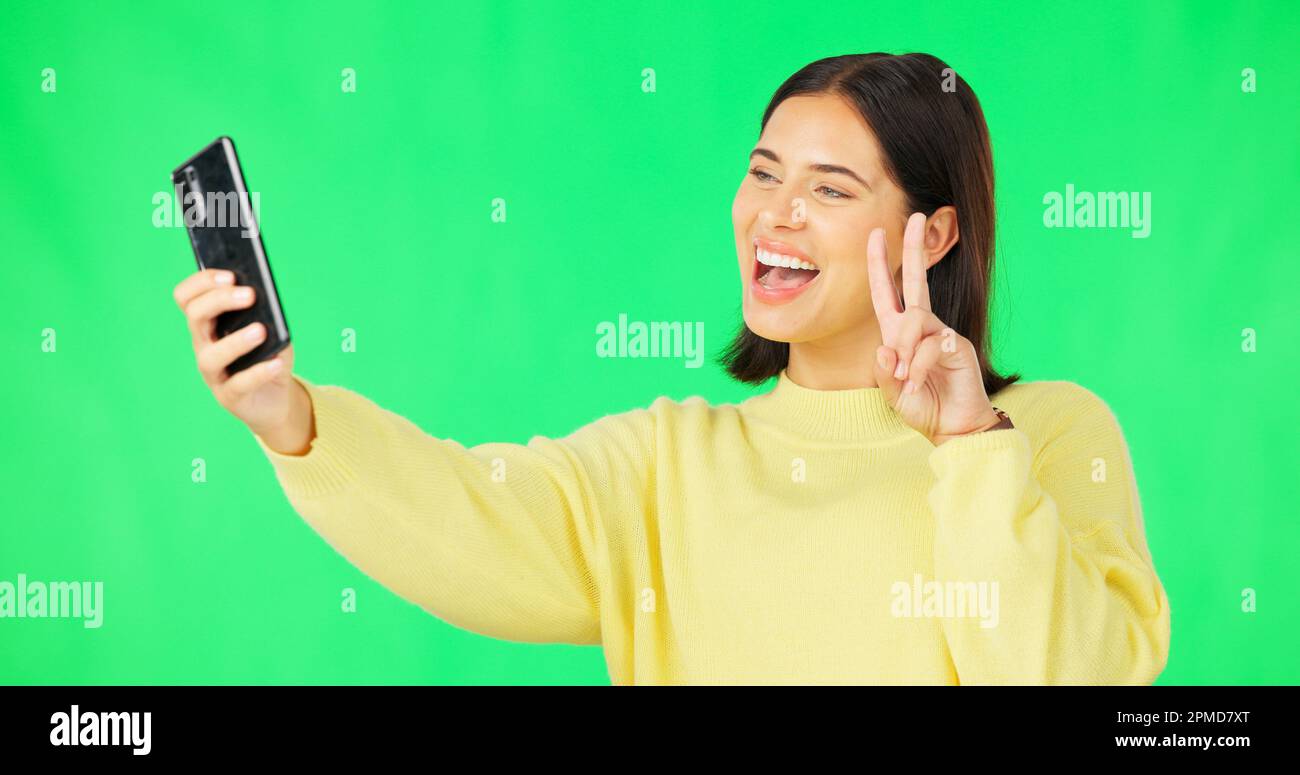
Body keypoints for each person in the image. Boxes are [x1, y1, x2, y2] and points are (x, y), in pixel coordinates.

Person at [172, 52, 1171, 685]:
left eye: (828, 188)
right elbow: (463, 512)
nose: (774, 212)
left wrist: (966, 442)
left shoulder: (1043, 435)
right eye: (763, 173)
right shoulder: (665, 464)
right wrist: (288, 415)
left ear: (935, 230)